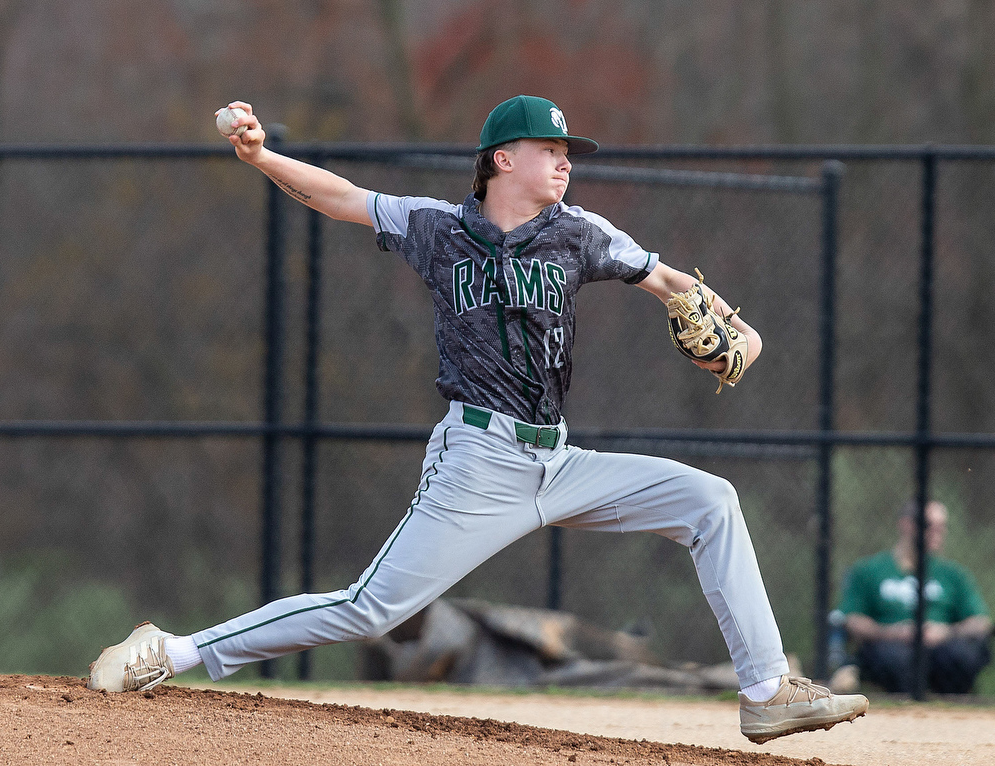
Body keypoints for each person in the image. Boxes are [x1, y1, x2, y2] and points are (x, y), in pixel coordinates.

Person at [88, 95, 868, 743]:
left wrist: (745, 331)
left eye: (569, 152)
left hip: (560, 463)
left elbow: (671, 284)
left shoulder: (582, 233)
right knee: (371, 608)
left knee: (711, 500)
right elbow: (340, 197)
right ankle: (175, 648)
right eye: (550, 148)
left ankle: (767, 690)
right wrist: (260, 158)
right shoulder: (438, 228)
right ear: (502, 159)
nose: (566, 161)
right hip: (478, 462)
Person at [838, 499, 992, 694]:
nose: (938, 533)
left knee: (960, 654)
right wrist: (893, 633)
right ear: (907, 524)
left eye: (942, 527)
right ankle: (901, 706)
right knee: (893, 658)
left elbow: (980, 621)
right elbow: (851, 618)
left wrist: (946, 632)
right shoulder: (869, 570)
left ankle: (951, 705)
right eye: (930, 526)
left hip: (940, 650)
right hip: (891, 648)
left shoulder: (953, 574)